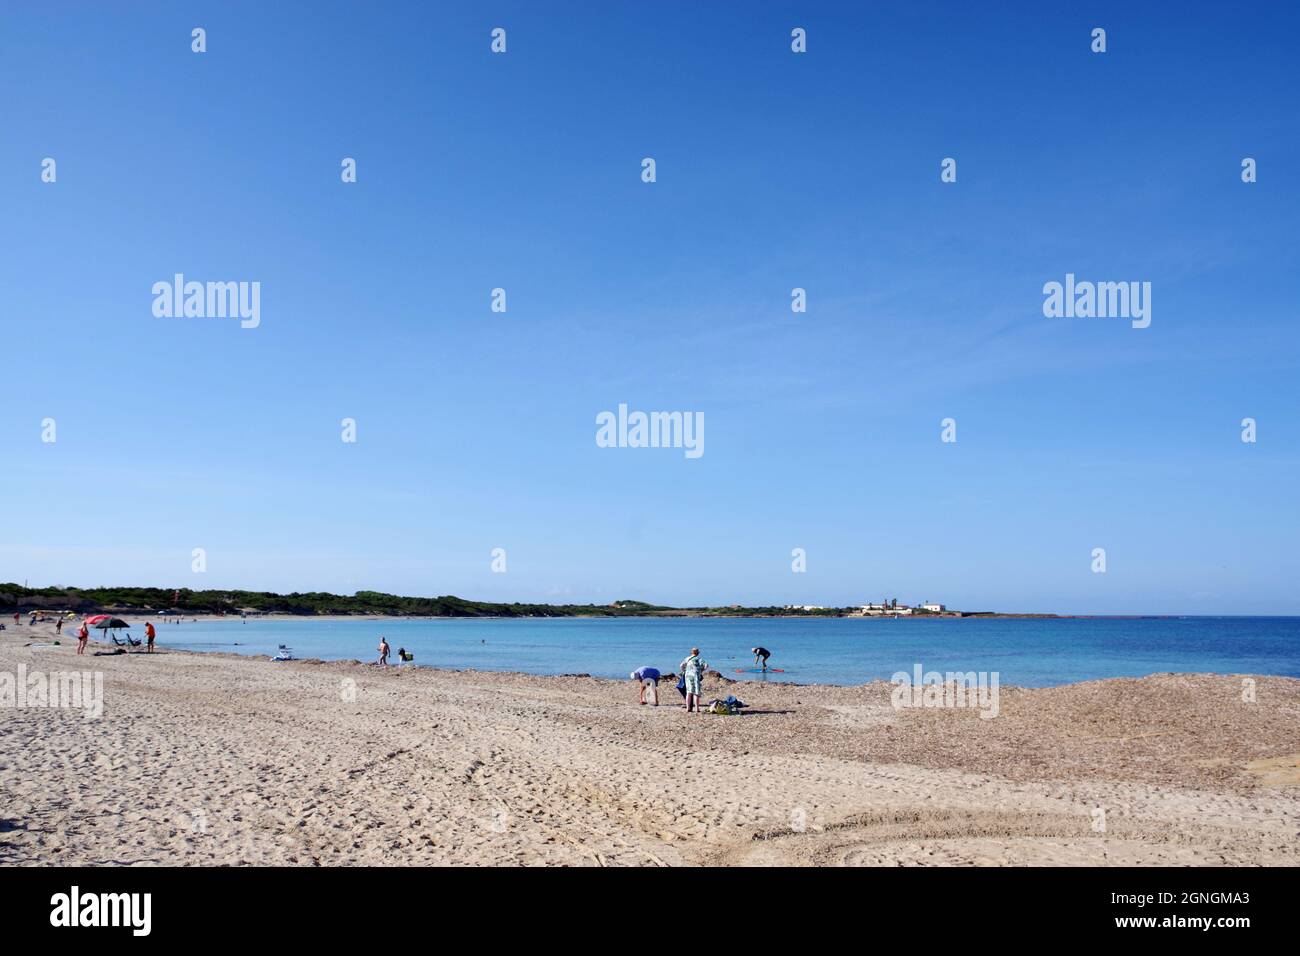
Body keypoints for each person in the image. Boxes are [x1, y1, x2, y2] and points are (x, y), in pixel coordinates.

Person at [679, 647, 707, 713]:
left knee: (689, 692)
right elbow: (706, 666)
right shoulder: (699, 659)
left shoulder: (687, 658)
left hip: (688, 676)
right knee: (696, 692)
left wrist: (684, 671)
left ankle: (688, 708)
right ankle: (697, 709)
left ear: (691, 652)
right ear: (698, 653)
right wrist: (701, 670)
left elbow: (681, 666)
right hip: (696, 676)